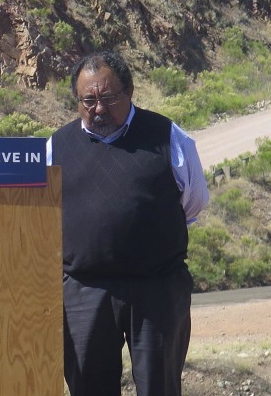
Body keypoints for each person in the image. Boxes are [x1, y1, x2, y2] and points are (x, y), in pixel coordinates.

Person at [48, 50, 209, 396]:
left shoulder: (167, 137)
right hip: (83, 292)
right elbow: (44, 214)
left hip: (157, 289)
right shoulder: (56, 146)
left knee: (160, 387)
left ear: (130, 91)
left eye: (108, 98)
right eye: (88, 100)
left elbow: (194, 201)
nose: (99, 109)